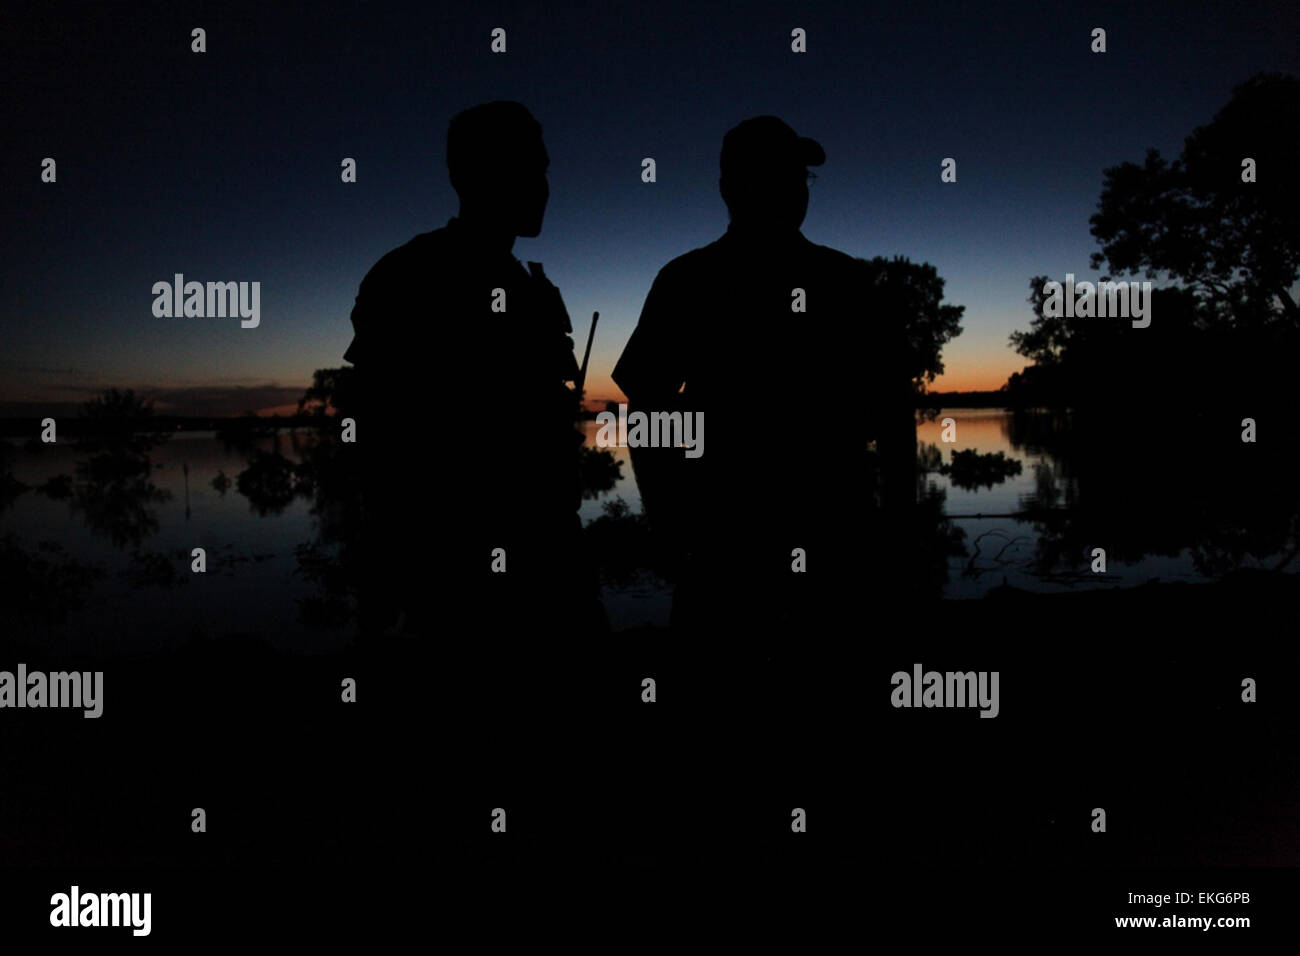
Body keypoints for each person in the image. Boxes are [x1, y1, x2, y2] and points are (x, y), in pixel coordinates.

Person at [612, 115, 917, 651]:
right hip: (728, 548)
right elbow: (647, 407)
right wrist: (669, 523)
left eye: (800, 176)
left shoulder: (845, 282)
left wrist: (896, 524)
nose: (795, 188)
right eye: (777, 174)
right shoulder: (689, 281)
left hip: (835, 539)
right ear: (731, 187)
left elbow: (894, 412)